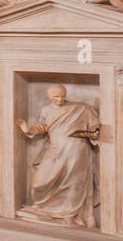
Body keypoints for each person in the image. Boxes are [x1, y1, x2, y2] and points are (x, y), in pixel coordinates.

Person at [17, 85, 100, 227]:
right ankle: (45, 209)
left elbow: (94, 127)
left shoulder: (81, 108)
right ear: (49, 97)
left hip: (76, 150)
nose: (60, 99)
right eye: (56, 97)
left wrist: (94, 133)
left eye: (62, 95)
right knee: (39, 182)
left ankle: (68, 214)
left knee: (74, 183)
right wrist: (28, 129)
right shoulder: (46, 110)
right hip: (55, 149)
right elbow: (42, 126)